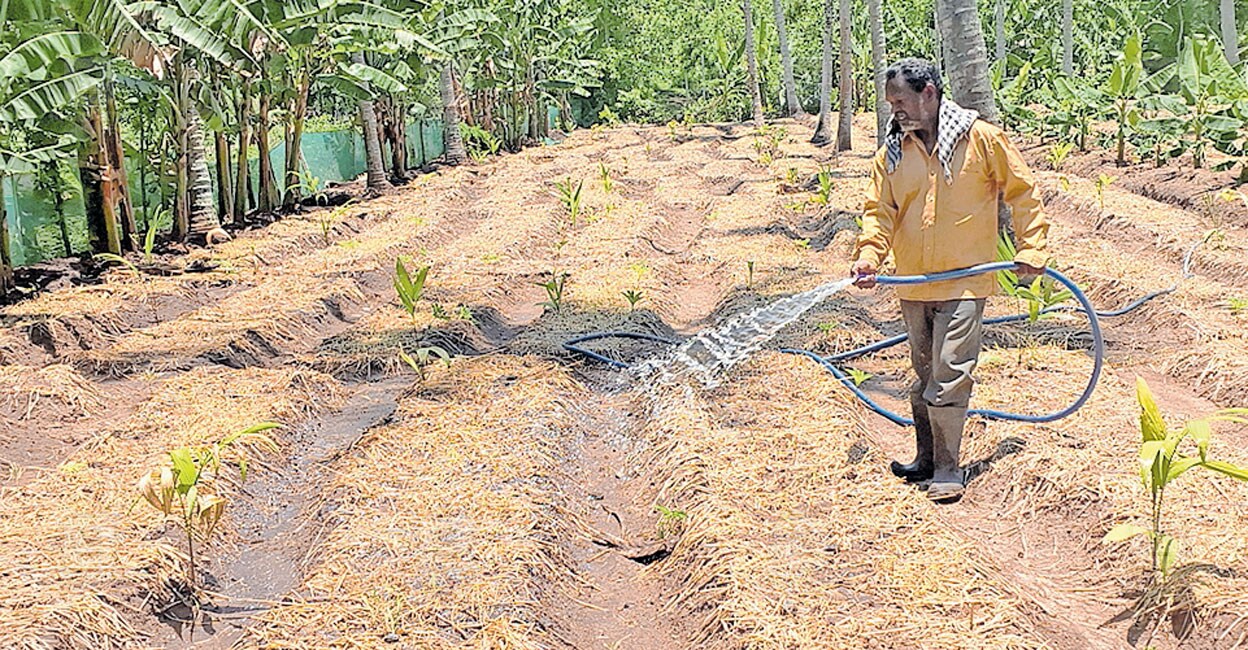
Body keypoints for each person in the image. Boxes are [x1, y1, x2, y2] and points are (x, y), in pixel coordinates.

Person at [849, 58, 1050, 503]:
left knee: (950, 373)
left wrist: (1031, 248)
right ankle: (924, 457)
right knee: (924, 374)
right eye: (890, 103)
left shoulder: (982, 140)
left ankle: (947, 467)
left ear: (929, 92)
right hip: (914, 284)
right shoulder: (893, 153)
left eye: (900, 101)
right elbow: (879, 213)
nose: (894, 111)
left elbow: (1024, 193)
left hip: (965, 282)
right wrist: (868, 256)